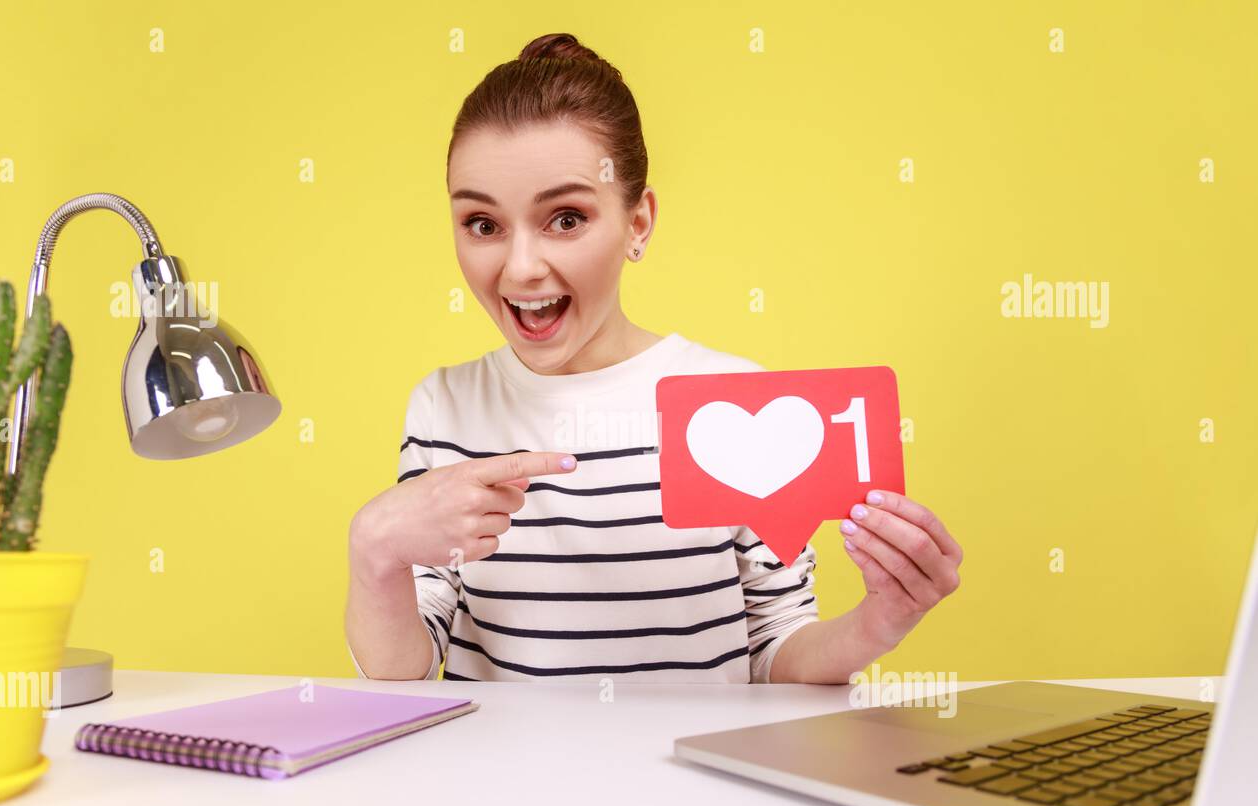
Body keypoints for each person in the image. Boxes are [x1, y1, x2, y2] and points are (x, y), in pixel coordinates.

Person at [345, 33, 962, 683]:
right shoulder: (444, 409)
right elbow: (404, 673)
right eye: (482, 224)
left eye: (565, 218)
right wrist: (373, 550)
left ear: (637, 223)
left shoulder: (737, 400)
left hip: (697, 784)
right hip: (503, 785)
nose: (521, 268)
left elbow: (776, 647)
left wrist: (880, 621)